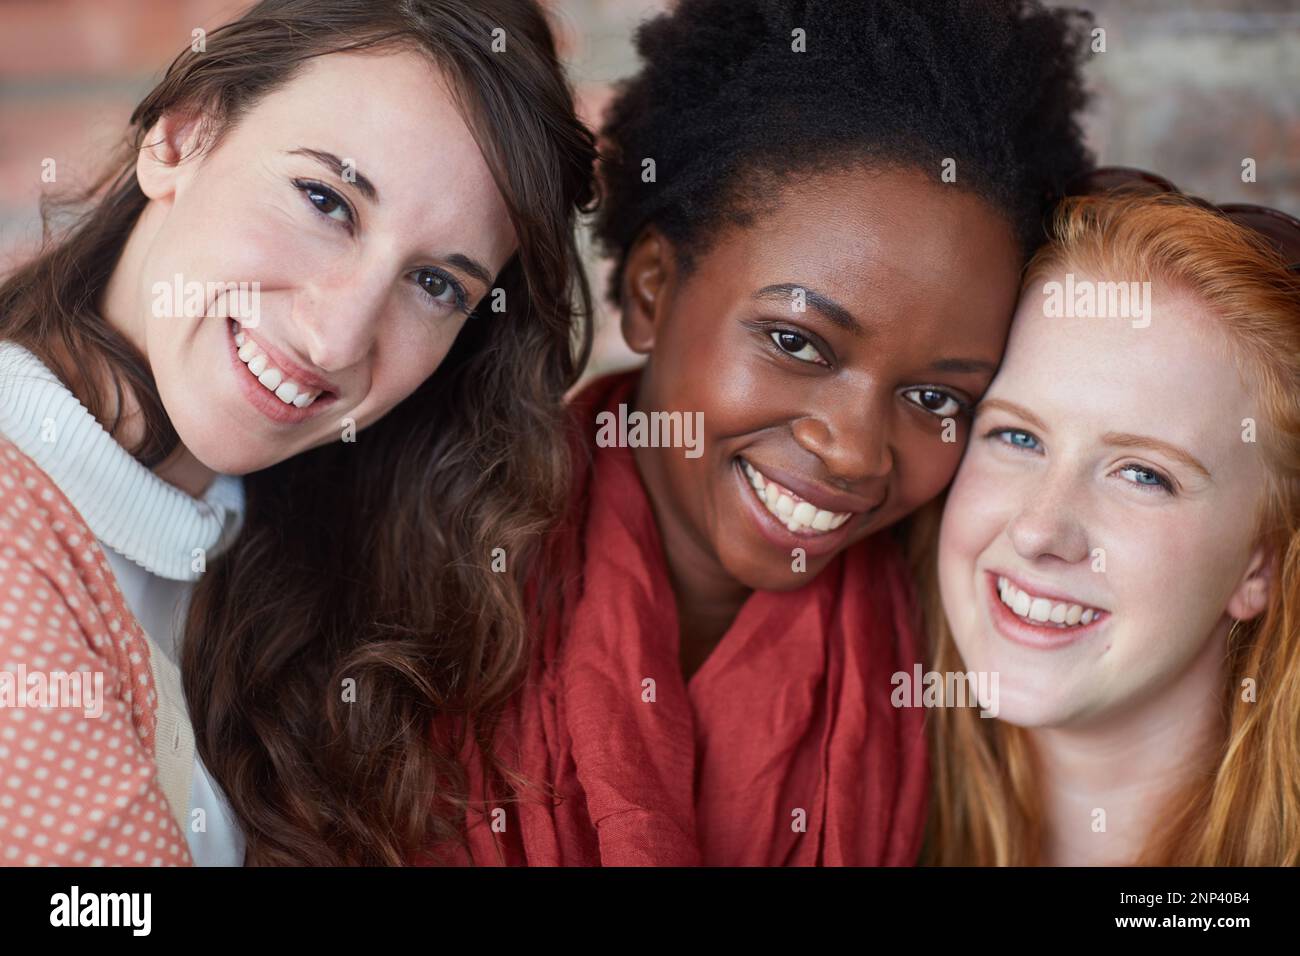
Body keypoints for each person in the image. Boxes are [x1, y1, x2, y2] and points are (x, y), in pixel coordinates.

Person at [441, 0, 1094, 866]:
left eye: (937, 398)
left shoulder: (973, 649)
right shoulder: (421, 582)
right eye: (796, 342)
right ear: (649, 292)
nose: (855, 450)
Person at [0, 0, 595, 866]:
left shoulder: (293, 558)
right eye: (326, 200)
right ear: (179, 137)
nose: (339, 338)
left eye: (434, 284)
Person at [928, 186, 1300, 865]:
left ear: (1261, 566)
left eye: (1143, 475)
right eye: (1017, 437)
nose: (1040, 530)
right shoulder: (859, 817)